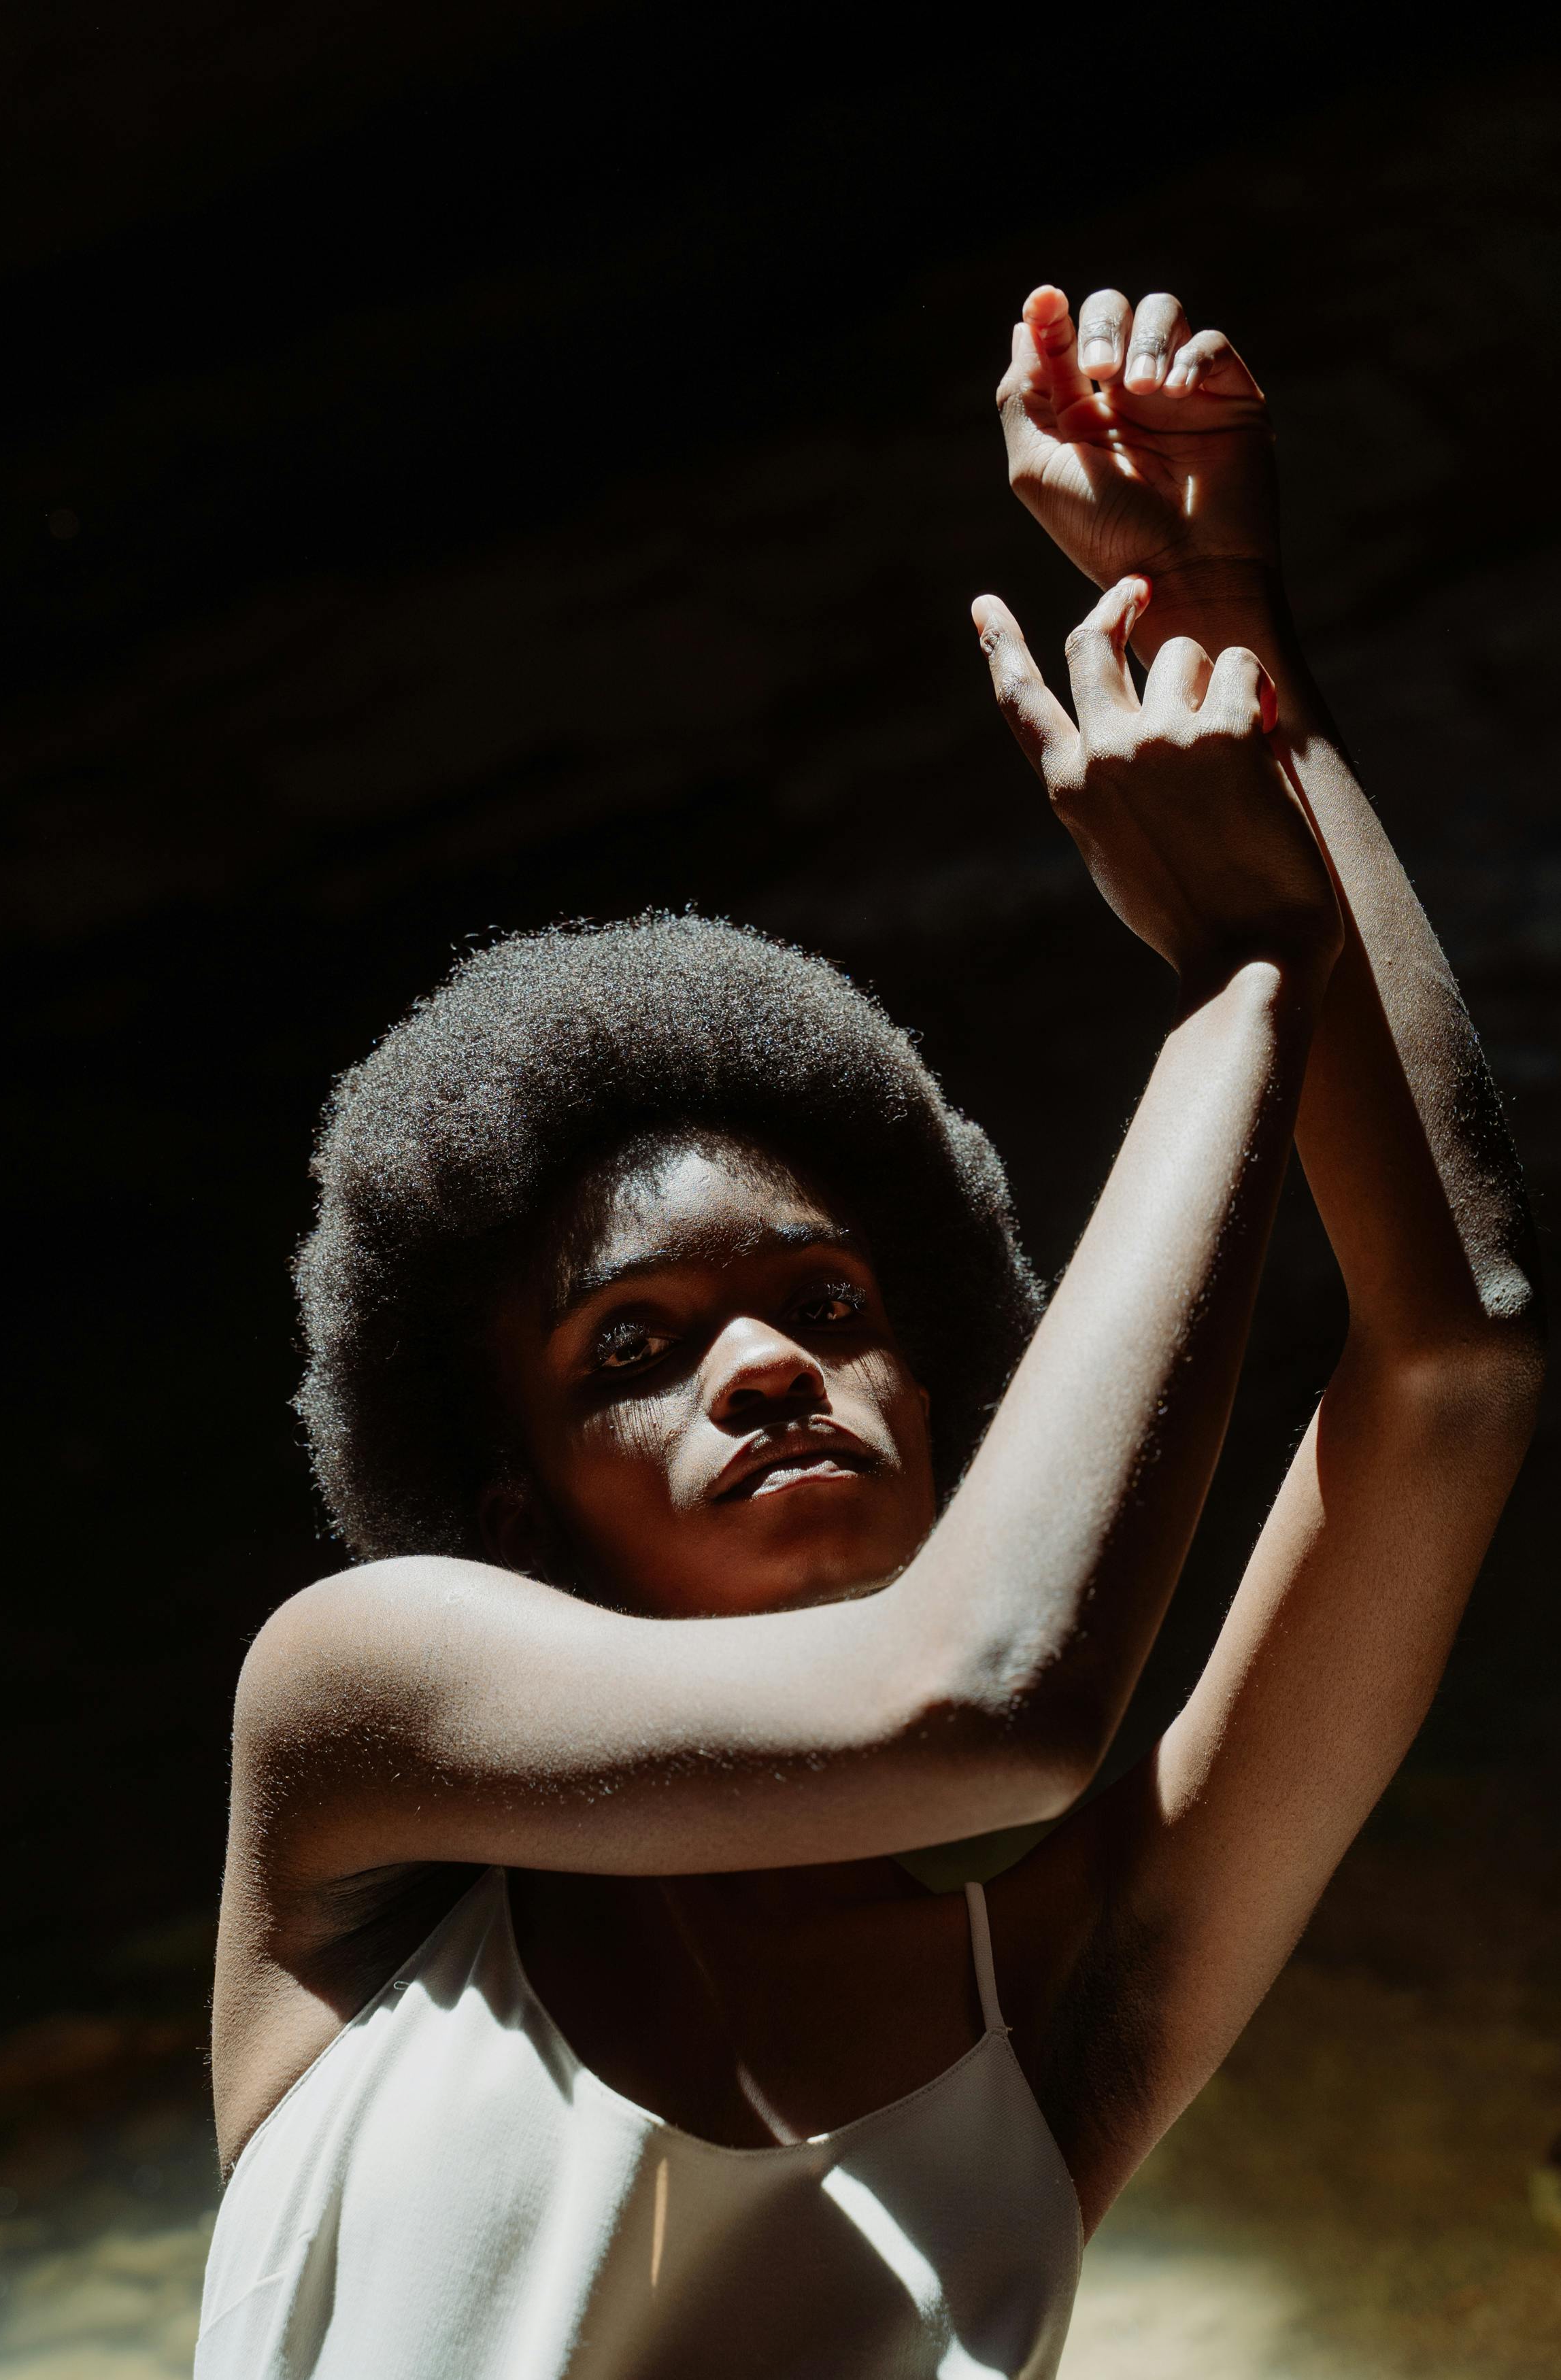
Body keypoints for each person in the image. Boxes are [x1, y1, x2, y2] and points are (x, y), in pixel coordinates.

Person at [195, 286, 1543, 2380]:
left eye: (826, 1306)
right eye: (631, 1351)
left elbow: (1460, 1369)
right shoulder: (358, 1748)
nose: (763, 1367)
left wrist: (1223, 633)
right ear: (505, 1503)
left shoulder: (1068, 1986)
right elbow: (988, 1695)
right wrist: (1246, 970)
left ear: (943, 1393)